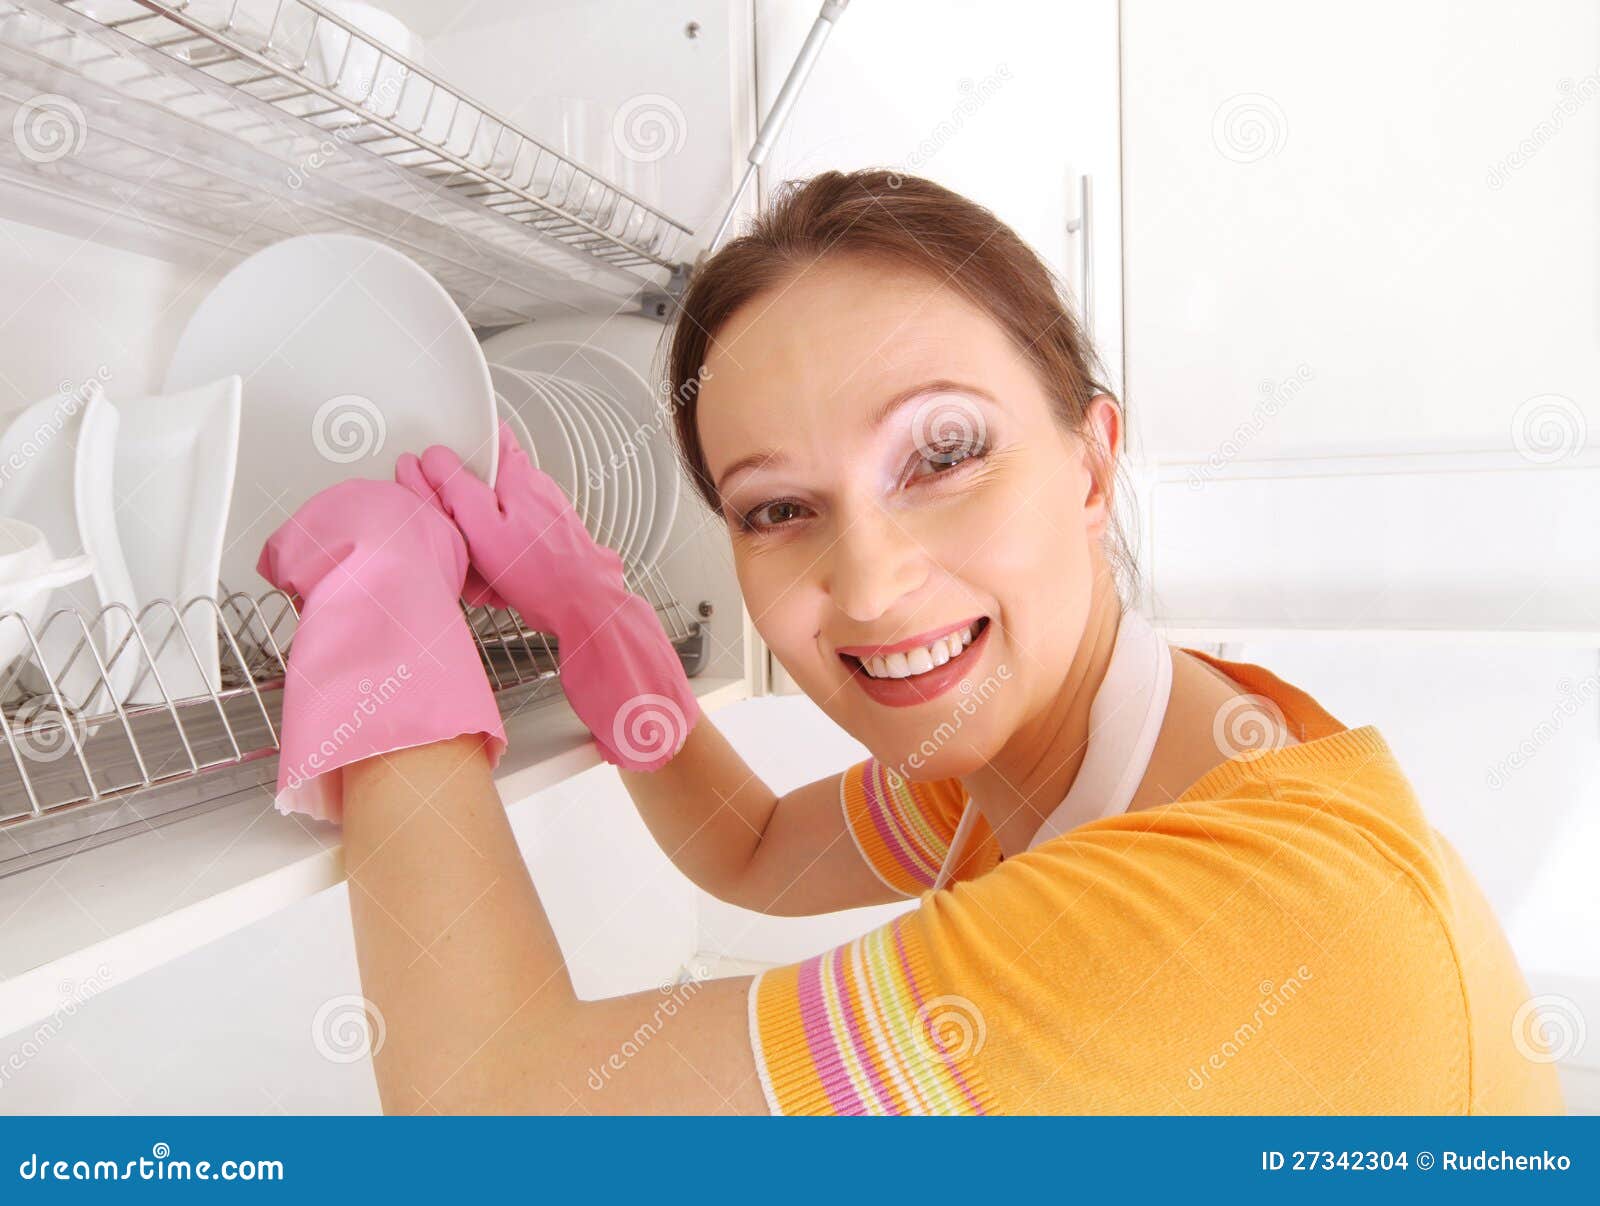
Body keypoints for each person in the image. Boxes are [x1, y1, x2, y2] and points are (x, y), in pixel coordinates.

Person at [258, 169, 1564, 1115]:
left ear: (1093, 465)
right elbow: (757, 851)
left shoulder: (1216, 910)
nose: (873, 587)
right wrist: (598, 615)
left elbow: (484, 1115)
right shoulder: (1065, 743)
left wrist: (388, 647)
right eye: (778, 508)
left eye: (943, 454)